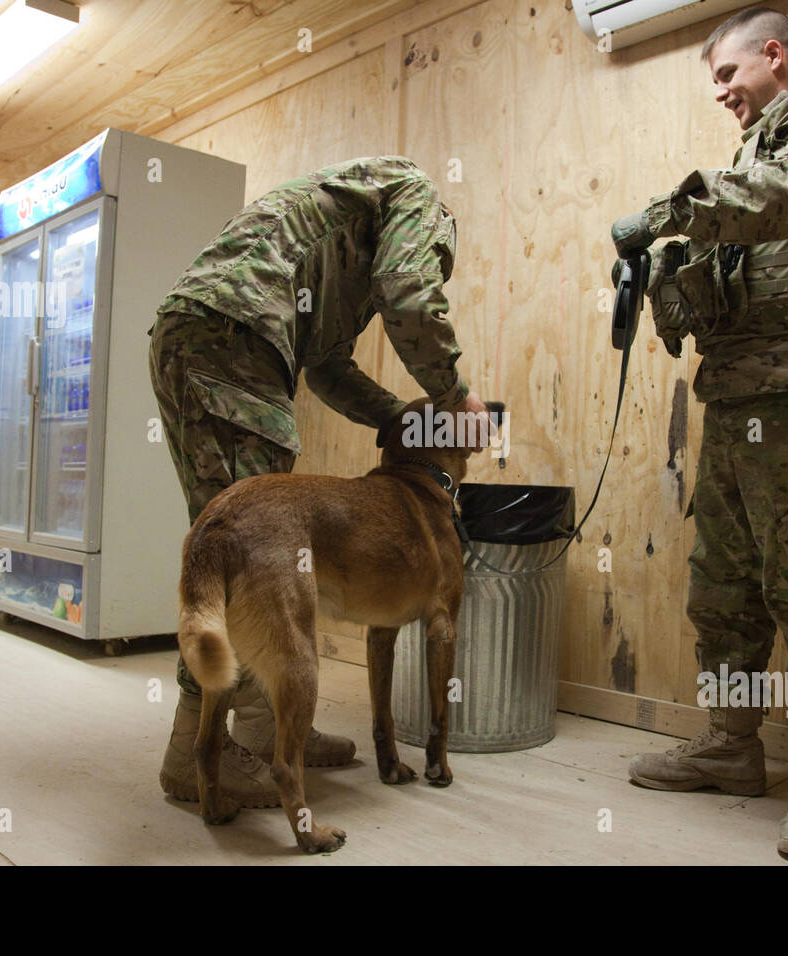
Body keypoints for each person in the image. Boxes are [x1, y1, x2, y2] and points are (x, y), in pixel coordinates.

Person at [612, 7, 788, 862]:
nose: (721, 93)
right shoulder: (752, 165)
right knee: (723, 589)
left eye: (727, 74)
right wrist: (668, 272)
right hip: (736, 401)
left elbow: (775, 201)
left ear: (774, 56)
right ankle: (732, 745)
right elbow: (740, 247)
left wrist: (666, 211)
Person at [149, 156, 487, 809]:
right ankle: (204, 759)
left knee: (244, 551)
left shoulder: (346, 254)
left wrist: (403, 422)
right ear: (435, 237)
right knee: (255, 556)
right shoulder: (414, 195)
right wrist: (452, 395)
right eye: (431, 259)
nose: (423, 266)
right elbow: (412, 297)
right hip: (233, 334)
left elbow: (327, 367)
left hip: (209, 333)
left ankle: (263, 731)